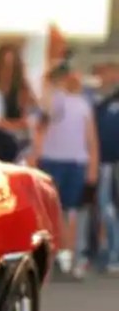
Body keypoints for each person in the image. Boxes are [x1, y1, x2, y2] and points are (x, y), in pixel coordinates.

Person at [32, 62, 101, 279]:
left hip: (76, 163)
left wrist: (92, 169)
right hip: (52, 161)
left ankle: (70, 257)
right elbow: (42, 122)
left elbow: (91, 139)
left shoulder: (83, 104)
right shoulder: (52, 102)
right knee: (53, 210)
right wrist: (50, 82)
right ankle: (57, 256)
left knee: (72, 211)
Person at [0, 43, 38, 162]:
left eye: (11, 67)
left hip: (21, 156)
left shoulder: (23, 94)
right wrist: (16, 125)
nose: (7, 72)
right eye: (4, 66)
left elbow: (32, 124)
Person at [91, 61, 119, 273]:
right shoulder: (101, 103)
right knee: (105, 208)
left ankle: (114, 254)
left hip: (113, 163)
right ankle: (109, 252)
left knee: (109, 208)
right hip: (104, 163)